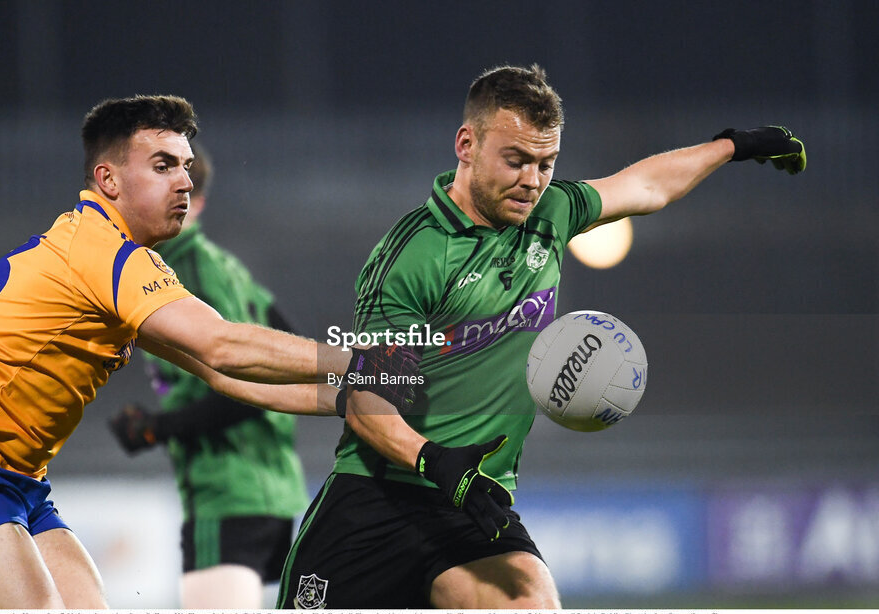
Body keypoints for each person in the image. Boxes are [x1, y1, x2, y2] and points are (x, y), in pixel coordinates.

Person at [277, 64, 806, 609]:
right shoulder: (414, 256)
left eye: (546, 163)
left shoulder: (550, 214)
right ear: (466, 145)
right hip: (375, 500)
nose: (532, 180)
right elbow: (369, 407)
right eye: (517, 160)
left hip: (473, 502)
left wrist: (732, 146)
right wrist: (440, 464)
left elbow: (646, 186)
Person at [0, 94, 415, 609]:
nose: (183, 181)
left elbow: (225, 377)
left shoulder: (109, 257)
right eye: (162, 166)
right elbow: (222, 345)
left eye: (185, 166)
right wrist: (365, 361)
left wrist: (348, 399)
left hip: (14, 483)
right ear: (107, 179)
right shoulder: (105, 254)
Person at [107, 143, 309, 608]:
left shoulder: (183, 271)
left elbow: (250, 386)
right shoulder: (230, 270)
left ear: (195, 203)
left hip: (228, 490)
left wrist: (156, 428)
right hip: (272, 492)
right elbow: (292, 353)